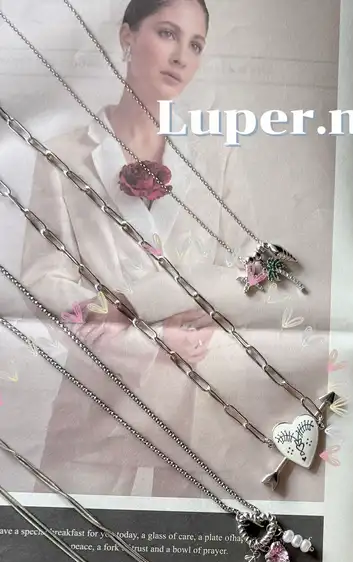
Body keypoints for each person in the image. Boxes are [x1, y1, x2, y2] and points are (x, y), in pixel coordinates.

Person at [17, 0, 318, 499]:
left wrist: (209, 313)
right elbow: (43, 282)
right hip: (98, 405)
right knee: (69, 539)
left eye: (195, 44)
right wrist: (146, 337)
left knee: (194, 539)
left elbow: (254, 267)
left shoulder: (215, 158)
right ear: (127, 36)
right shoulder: (64, 156)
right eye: (167, 33)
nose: (181, 56)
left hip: (203, 413)